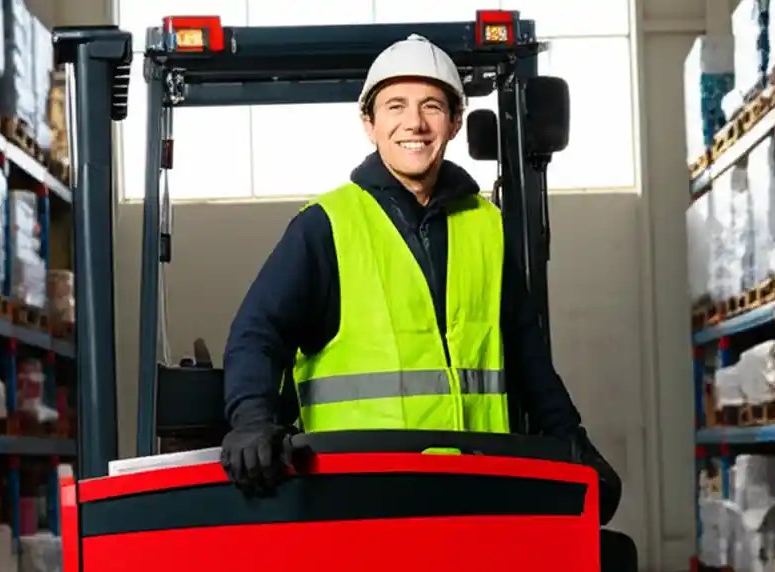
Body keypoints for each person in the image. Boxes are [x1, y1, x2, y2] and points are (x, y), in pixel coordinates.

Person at [218, 33, 621, 516]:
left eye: (431, 106)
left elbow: (524, 349)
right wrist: (251, 420)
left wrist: (570, 439)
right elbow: (257, 333)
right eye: (395, 106)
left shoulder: (487, 226)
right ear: (368, 123)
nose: (414, 122)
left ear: (453, 123)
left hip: (475, 490)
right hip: (360, 495)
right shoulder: (326, 225)